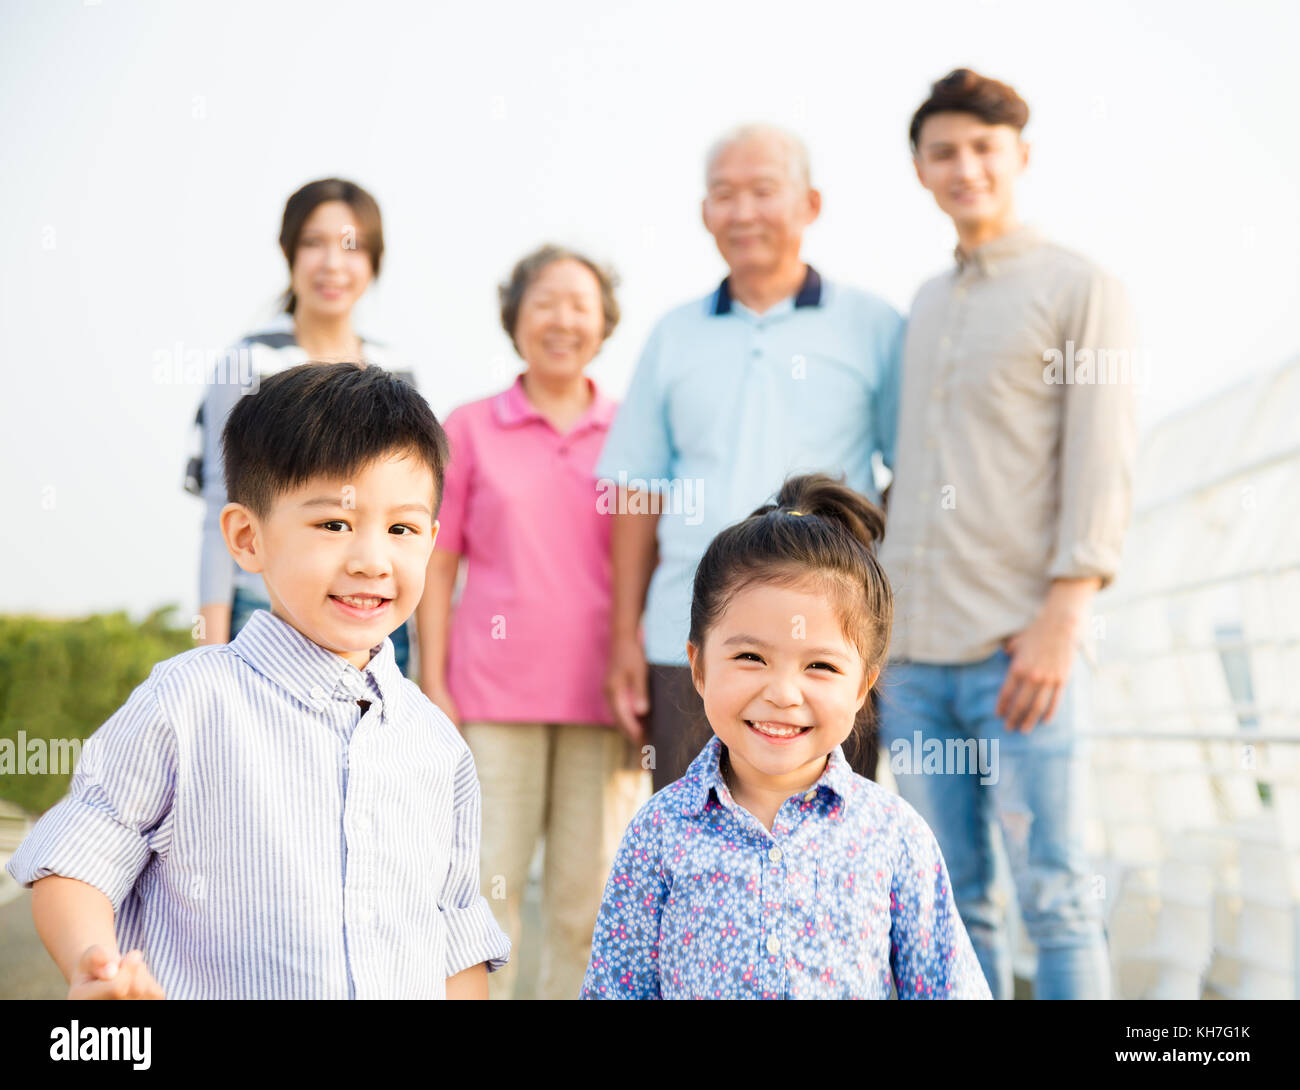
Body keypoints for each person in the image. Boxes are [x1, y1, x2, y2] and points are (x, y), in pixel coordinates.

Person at [8, 363, 509, 999]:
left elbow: (455, 931)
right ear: (248, 538)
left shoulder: (437, 745)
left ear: (431, 541)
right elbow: (77, 857)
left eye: (402, 529)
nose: (371, 560)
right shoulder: (189, 702)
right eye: (334, 524)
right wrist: (92, 963)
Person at [877, 69, 1138, 1000]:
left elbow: (1101, 460)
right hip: (912, 660)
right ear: (920, 169)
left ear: (1019, 156)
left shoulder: (1080, 286)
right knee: (951, 905)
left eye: (984, 148)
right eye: (944, 151)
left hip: (1022, 653)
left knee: (1059, 899)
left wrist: (1064, 616)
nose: (966, 167)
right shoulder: (926, 304)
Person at [580, 474, 989, 999]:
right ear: (699, 667)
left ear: (864, 686)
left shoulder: (895, 837)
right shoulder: (658, 834)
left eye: (819, 665)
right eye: (750, 657)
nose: (783, 692)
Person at [598, 124, 904, 791]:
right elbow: (634, 491)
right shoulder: (672, 335)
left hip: (831, 648)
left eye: (763, 191)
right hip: (691, 640)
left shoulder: (875, 326)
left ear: (810, 204)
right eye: (723, 195)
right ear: (705, 211)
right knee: (689, 845)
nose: (741, 212)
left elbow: (911, 469)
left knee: (833, 856)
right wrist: (625, 637)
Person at [417, 245, 648, 1001]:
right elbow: (437, 562)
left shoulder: (633, 429)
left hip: (604, 704)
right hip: (490, 704)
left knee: (590, 907)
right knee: (486, 903)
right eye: (544, 301)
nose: (562, 319)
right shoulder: (471, 426)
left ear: (604, 324)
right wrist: (433, 682)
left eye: (580, 304)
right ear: (514, 317)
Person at [194, 177, 418, 674]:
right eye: (314, 243)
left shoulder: (394, 366)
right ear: (289, 252)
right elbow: (219, 507)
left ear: (374, 261)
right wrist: (210, 649)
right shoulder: (248, 362)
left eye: (351, 246)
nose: (333, 263)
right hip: (266, 613)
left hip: (372, 614)